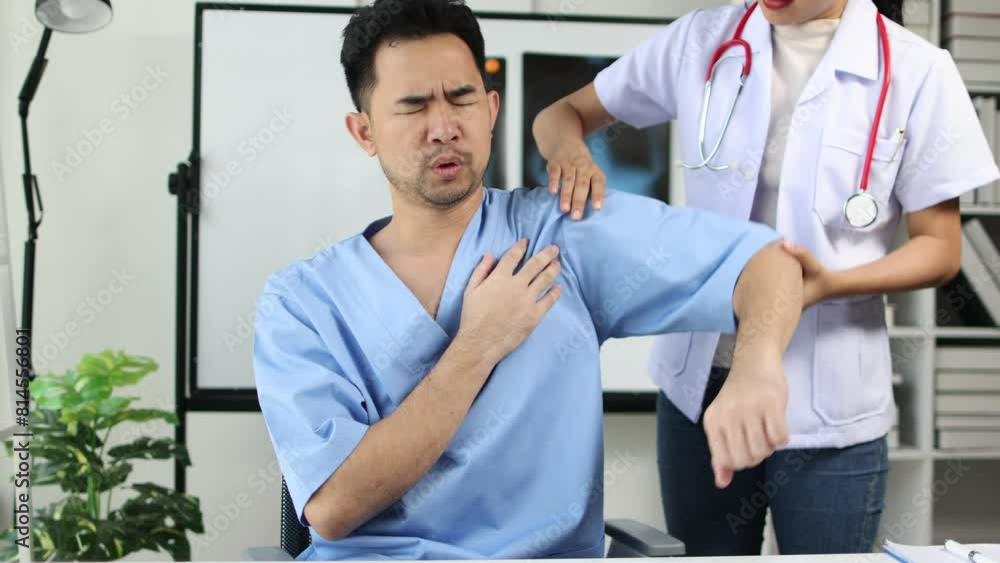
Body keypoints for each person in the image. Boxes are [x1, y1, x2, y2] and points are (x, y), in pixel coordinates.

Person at [251, 0, 808, 559]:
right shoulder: (303, 302)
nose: (444, 128)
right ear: (364, 131)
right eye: (414, 106)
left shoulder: (562, 235)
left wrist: (755, 366)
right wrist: (477, 347)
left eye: (461, 99)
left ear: (491, 108)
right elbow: (333, 506)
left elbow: (767, 262)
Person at [533, 0, 1000, 556]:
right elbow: (560, 114)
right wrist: (570, 153)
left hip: (830, 401)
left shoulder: (918, 70)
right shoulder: (703, 40)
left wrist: (829, 284)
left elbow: (940, 249)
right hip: (701, 387)